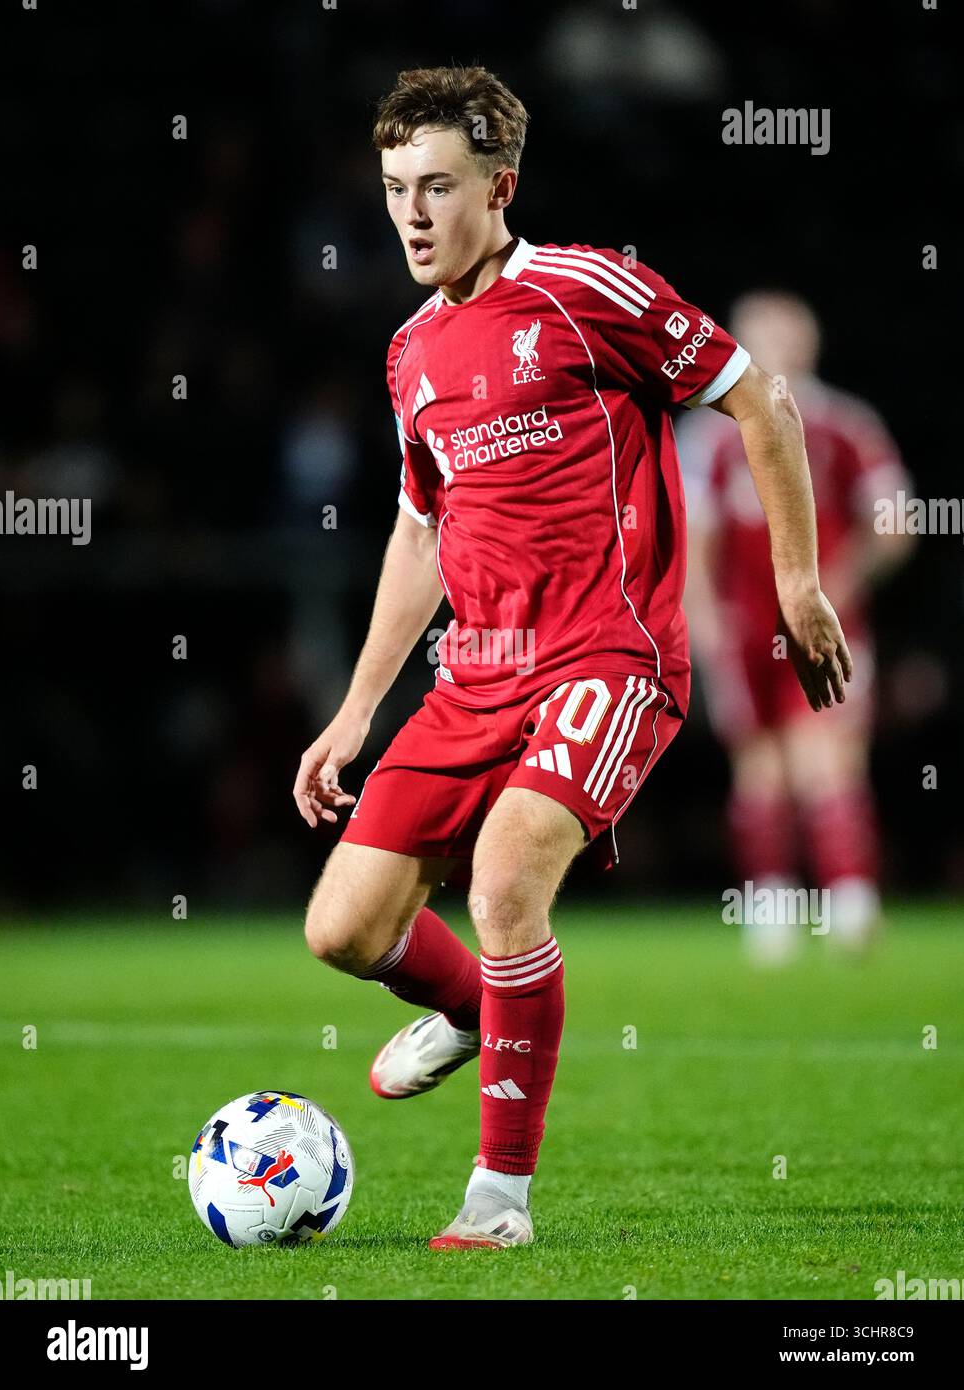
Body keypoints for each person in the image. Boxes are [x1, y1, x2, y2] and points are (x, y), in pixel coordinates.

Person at [292, 66, 850, 1248]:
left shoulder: (586, 289)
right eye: (395, 188)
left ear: (499, 187)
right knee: (341, 927)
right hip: (473, 676)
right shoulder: (409, 354)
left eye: (437, 186)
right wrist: (354, 713)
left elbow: (763, 406)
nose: (412, 214)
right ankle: (472, 1010)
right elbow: (420, 530)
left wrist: (796, 583)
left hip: (609, 657)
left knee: (502, 882)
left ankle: (499, 1202)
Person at [677, 291, 911, 962]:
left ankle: (849, 902)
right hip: (744, 626)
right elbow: (695, 538)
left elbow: (894, 521)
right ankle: (772, 909)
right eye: (760, 333)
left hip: (823, 625)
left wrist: (841, 581)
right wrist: (701, 618)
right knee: (759, 770)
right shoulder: (708, 433)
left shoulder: (843, 423)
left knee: (828, 760)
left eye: (786, 333)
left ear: (808, 342)